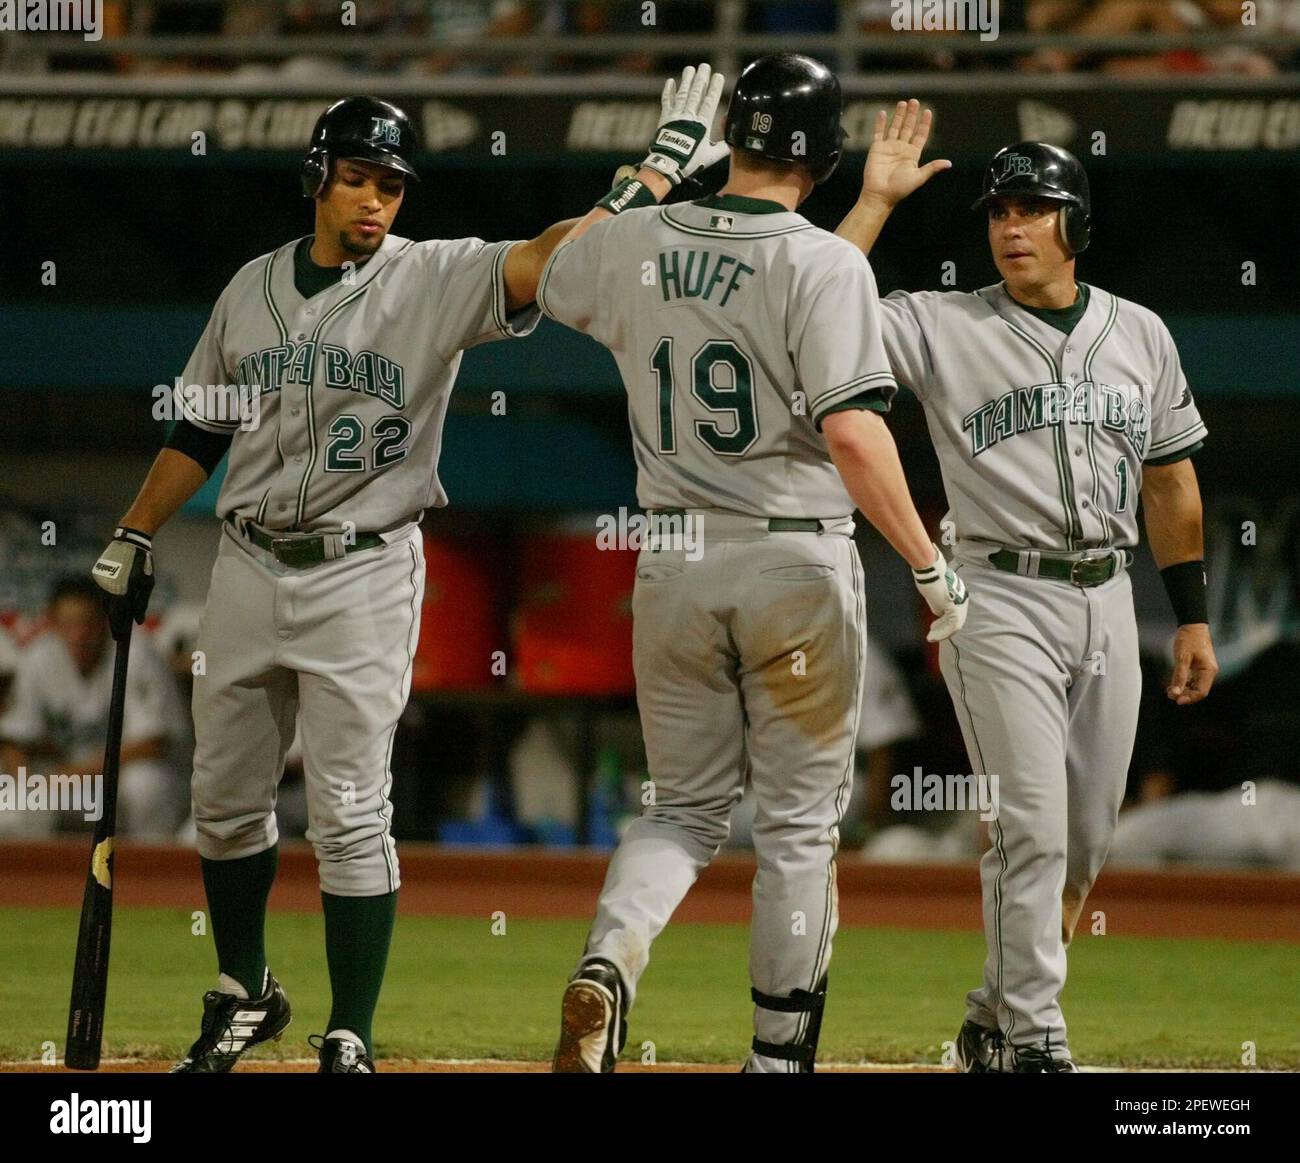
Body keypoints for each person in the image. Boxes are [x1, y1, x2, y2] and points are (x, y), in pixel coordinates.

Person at [90, 95, 578, 1073]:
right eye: (358, 176)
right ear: (319, 176)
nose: (375, 199)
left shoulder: (429, 278)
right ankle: (244, 989)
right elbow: (200, 430)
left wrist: (638, 184)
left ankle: (349, 1028)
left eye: (392, 184)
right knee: (223, 799)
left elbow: (543, 255)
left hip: (362, 567)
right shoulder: (250, 289)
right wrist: (132, 531)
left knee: (351, 806)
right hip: (246, 561)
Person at [537, 57, 968, 1073]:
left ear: (729, 138)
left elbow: (552, 268)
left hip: (674, 559)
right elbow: (852, 427)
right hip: (794, 564)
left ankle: (606, 965)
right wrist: (928, 564)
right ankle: (777, 1057)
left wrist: (653, 168)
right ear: (821, 158)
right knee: (797, 829)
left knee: (681, 807)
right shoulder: (824, 263)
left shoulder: (642, 239)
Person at [835, 103, 1218, 1070]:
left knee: (1086, 841)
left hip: (1109, 596)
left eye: (1033, 208)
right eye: (999, 210)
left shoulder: (1141, 334)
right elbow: (816, 309)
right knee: (1033, 828)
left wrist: (1194, 616)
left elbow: (1171, 481)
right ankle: (1036, 1041)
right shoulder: (939, 322)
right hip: (995, 595)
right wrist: (876, 200)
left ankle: (991, 1023)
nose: (1010, 226)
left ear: (1073, 224)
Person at [0, 577, 184, 839]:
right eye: (68, 625)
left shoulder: (136, 654)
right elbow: (14, 741)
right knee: (10, 802)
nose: (79, 635)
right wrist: (23, 782)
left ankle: (154, 875)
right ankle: (38, 879)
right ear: (51, 623)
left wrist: (67, 775)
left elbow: (152, 744)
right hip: (65, 783)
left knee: (146, 786)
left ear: (105, 621)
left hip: (120, 782)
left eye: (87, 623)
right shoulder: (38, 658)